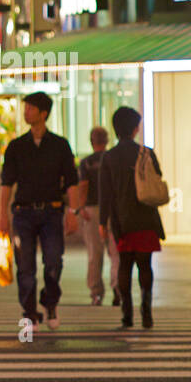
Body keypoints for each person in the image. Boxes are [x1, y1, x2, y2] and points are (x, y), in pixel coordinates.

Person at [0, 91, 82, 329]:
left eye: (31, 108)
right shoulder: (16, 147)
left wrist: (72, 213)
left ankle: (50, 301)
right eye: (25, 108)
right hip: (22, 214)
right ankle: (30, 311)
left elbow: (72, 182)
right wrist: (2, 216)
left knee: (54, 260)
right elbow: (6, 184)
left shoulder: (60, 145)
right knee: (25, 265)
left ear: (44, 114)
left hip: (52, 213)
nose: (26, 112)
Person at [98, 106, 165, 329]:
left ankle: (127, 314)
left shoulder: (109, 157)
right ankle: (146, 312)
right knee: (145, 265)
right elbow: (158, 177)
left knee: (124, 265)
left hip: (122, 220)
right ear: (135, 128)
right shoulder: (145, 153)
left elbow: (104, 193)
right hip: (145, 217)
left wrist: (102, 222)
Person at [77, 126, 121, 307]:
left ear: (91, 141)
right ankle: (118, 288)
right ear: (107, 140)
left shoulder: (86, 162)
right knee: (116, 252)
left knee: (94, 254)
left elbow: (83, 186)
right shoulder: (113, 159)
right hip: (113, 209)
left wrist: (81, 207)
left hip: (92, 211)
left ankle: (96, 293)